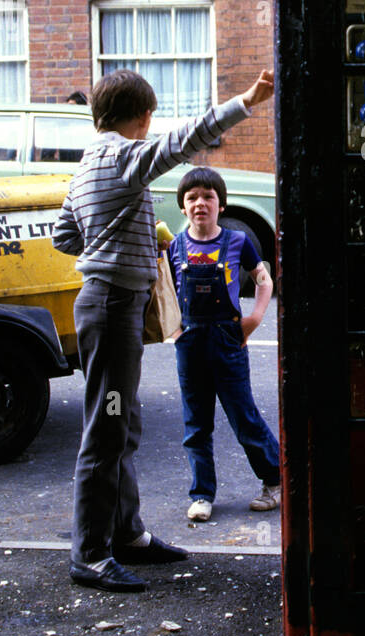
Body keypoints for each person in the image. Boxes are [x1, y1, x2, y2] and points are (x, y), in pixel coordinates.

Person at [52, 67, 274, 592]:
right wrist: (244, 101)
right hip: (111, 310)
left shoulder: (87, 163)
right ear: (144, 115)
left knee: (121, 424)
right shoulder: (122, 155)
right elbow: (184, 140)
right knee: (106, 429)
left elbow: (66, 236)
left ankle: (127, 534)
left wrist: (116, 234)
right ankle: (90, 554)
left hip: (110, 307)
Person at [167, 167, 280, 522]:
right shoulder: (174, 246)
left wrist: (256, 318)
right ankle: (202, 494)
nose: (201, 203)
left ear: (221, 204)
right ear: (183, 207)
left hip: (228, 340)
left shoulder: (237, 242)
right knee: (195, 424)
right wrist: (173, 331)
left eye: (208, 197)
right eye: (192, 198)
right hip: (190, 342)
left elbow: (264, 280)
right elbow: (165, 292)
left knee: (243, 417)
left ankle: (275, 480)